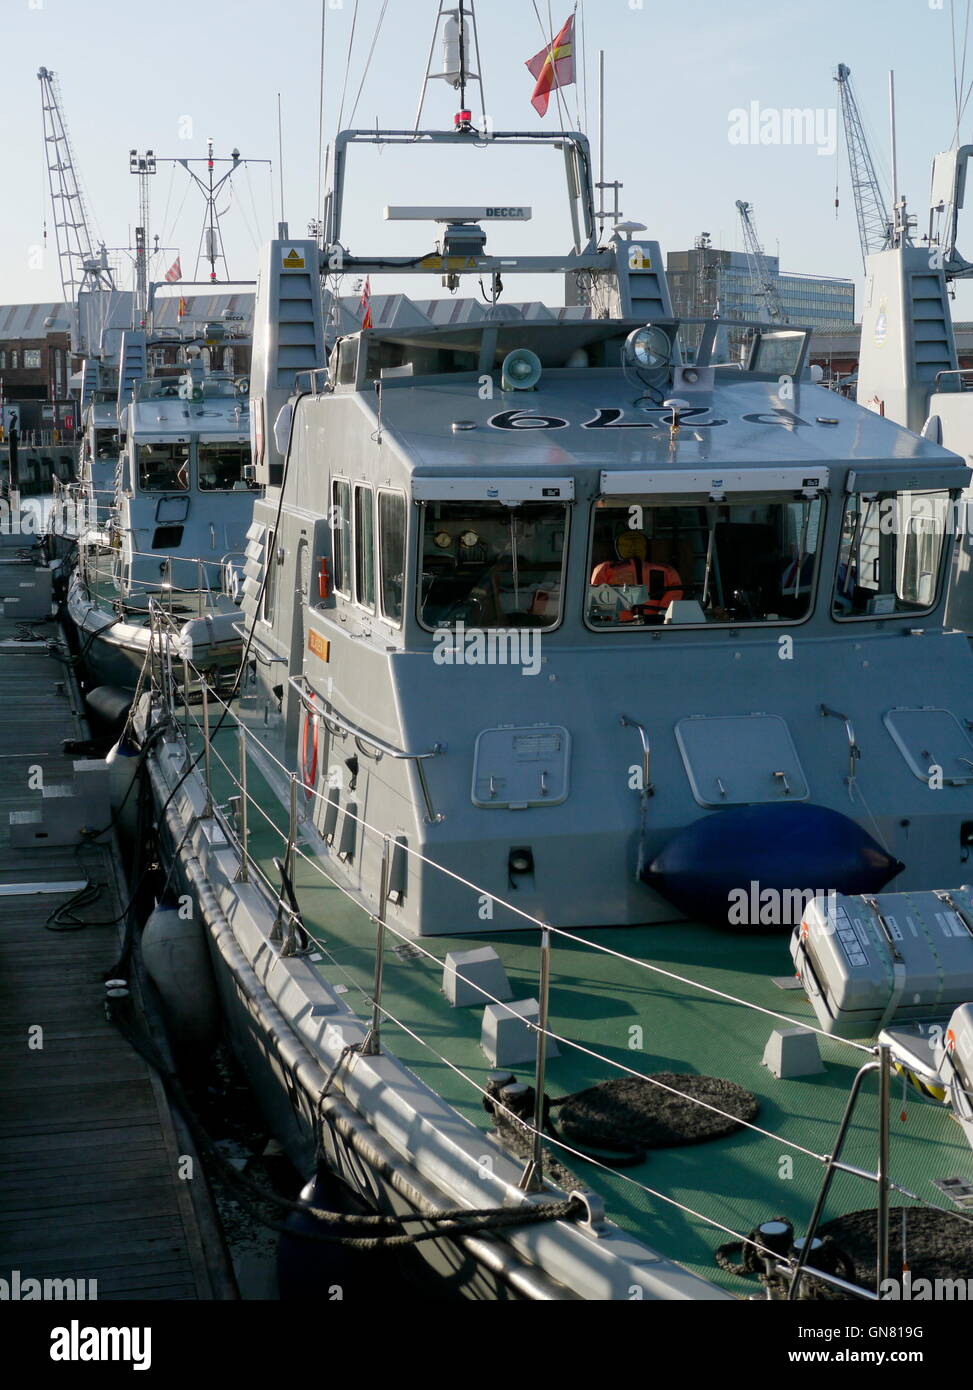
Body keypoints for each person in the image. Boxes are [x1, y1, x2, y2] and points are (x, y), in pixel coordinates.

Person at [590, 529, 683, 622]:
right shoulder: (604, 569)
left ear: (645, 547)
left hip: (658, 627)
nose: (633, 547)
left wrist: (662, 615)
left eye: (638, 543)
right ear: (617, 547)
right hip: (618, 628)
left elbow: (675, 593)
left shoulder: (666, 571)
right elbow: (600, 598)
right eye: (627, 544)